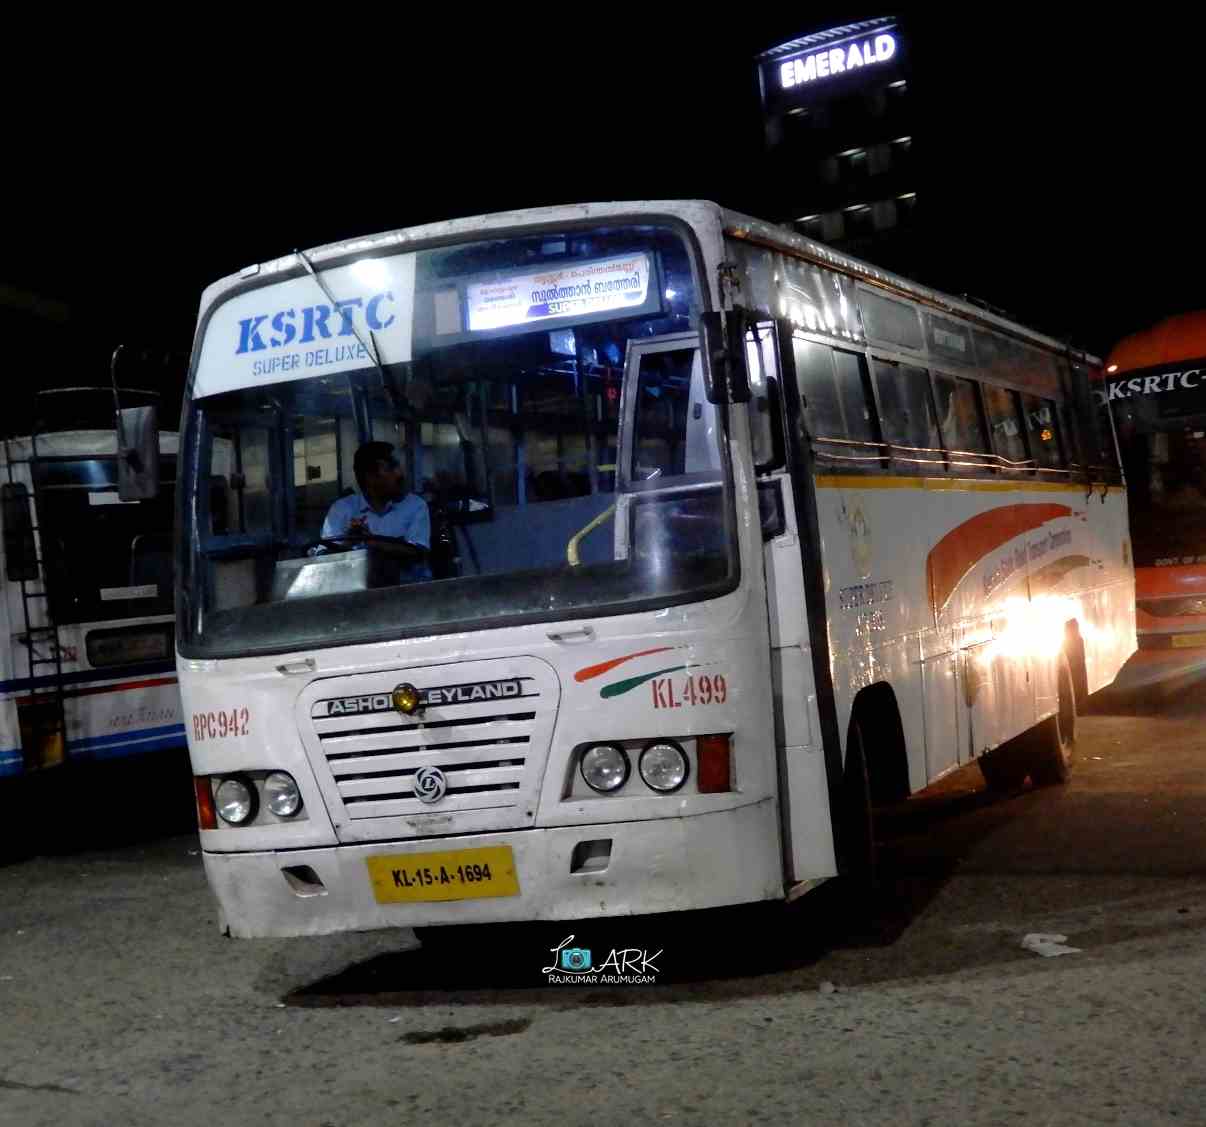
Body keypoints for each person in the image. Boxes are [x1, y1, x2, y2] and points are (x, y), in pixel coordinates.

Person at [320, 441, 431, 582]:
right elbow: (323, 560)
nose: (400, 473)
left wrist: (371, 541)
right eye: (392, 467)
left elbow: (418, 552)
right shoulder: (342, 509)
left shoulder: (415, 506)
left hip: (409, 591)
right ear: (370, 477)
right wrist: (348, 541)